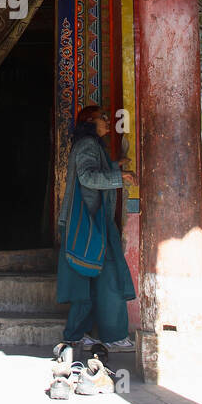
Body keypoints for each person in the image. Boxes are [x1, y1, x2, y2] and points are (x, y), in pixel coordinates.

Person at [56, 104, 137, 351]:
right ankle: (112, 336)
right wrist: (119, 177)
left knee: (86, 279)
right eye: (103, 118)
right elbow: (89, 178)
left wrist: (114, 167)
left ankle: (75, 335)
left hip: (88, 222)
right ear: (89, 121)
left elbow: (93, 173)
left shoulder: (91, 146)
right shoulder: (88, 145)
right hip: (89, 222)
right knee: (106, 276)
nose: (106, 122)